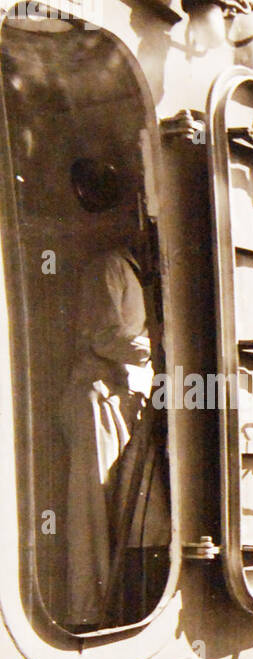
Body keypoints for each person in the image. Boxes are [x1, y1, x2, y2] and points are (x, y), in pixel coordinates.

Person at [58, 157, 167, 631]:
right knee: (91, 512)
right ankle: (86, 610)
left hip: (126, 401)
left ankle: (117, 605)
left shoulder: (140, 275)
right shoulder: (108, 268)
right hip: (96, 399)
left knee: (132, 511)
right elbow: (105, 336)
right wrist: (162, 347)